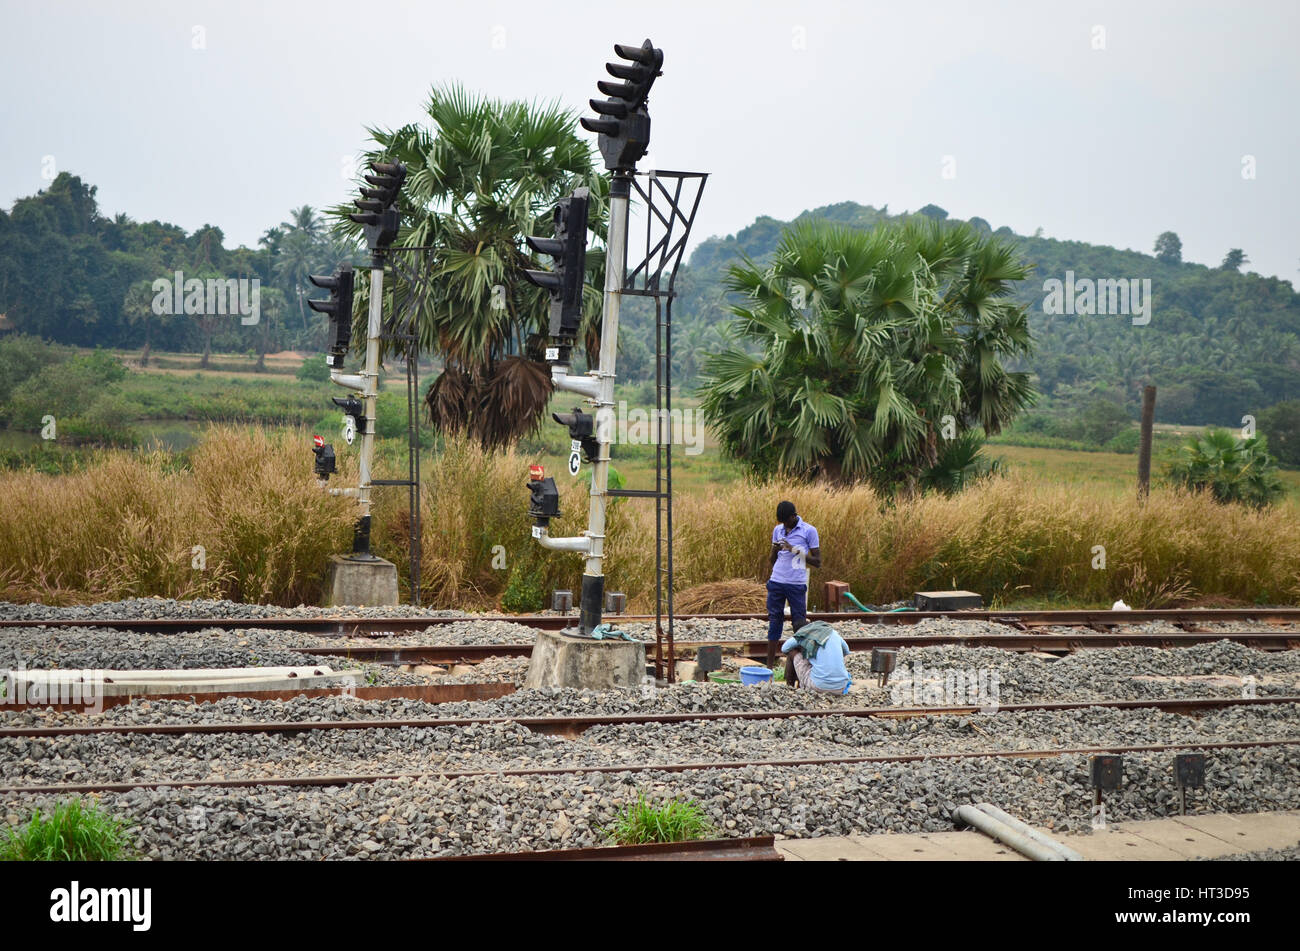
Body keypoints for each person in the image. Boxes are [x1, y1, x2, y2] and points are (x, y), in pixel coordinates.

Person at [766, 500, 820, 667]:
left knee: (799, 623)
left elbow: (817, 561)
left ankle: (802, 664)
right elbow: (772, 561)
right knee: (775, 621)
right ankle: (769, 665)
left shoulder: (809, 531)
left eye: (787, 521)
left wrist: (793, 549)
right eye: (782, 522)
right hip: (777, 580)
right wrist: (775, 549)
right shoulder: (778, 530)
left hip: (796, 583)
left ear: (794, 516)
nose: (784, 525)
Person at [781, 620, 852, 695]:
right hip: (841, 687)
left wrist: (803, 647)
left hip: (819, 687)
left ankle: (789, 688)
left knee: (792, 651)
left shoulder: (805, 634)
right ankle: (799, 685)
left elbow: (784, 648)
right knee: (814, 662)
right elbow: (846, 651)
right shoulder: (833, 633)